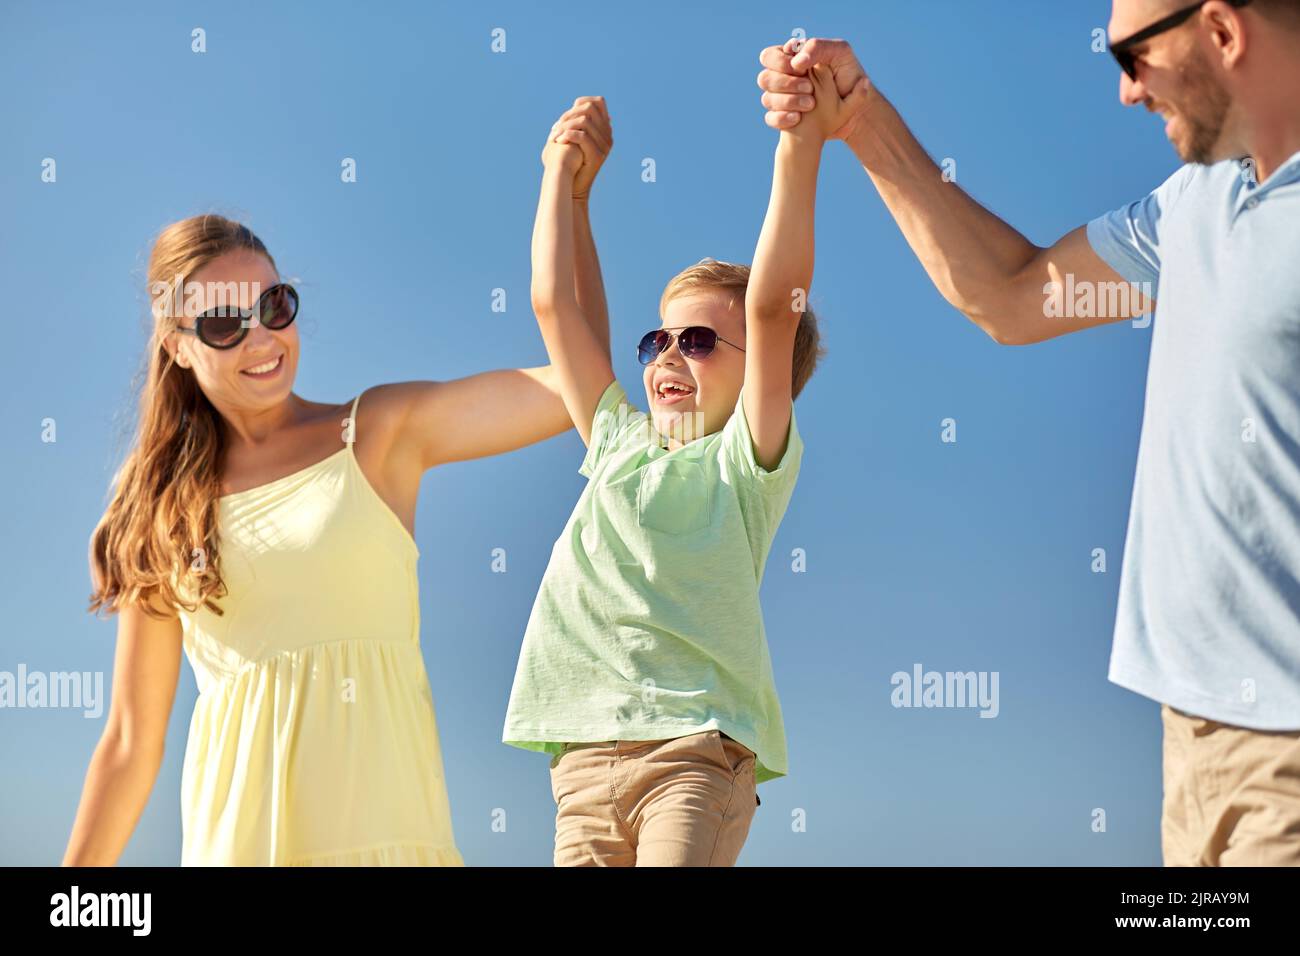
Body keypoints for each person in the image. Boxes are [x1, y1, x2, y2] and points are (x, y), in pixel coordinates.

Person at [756, 0, 1300, 865]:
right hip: (1194, 750)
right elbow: (1011, 295)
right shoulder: (1194, 205)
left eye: (1133, 56)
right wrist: (861, 120)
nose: (1125, 92)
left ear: (1223, 31)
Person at [64, 213, 589, 865]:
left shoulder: (377, 433)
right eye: (226, 324)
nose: (262, 338)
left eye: (275, 306)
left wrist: (569, 195)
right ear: (176, 344)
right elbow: (130, 741)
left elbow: (578, 389)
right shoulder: (163, 507)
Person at [502, 70, 850, 866]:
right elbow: (557, 305)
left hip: (694, 757)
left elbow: (772, 307)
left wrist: (800, 144)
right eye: (658, 339)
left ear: (758, 374)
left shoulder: (744, 466)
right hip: (583, 765)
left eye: (697, 341)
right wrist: (563, 177)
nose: (669, 353)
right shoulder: (616, 443)